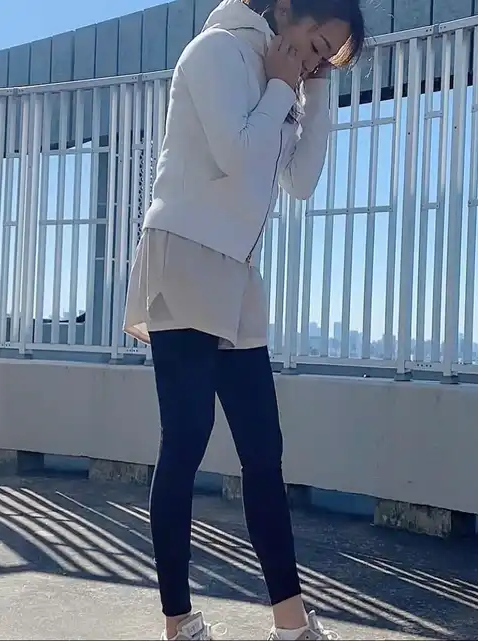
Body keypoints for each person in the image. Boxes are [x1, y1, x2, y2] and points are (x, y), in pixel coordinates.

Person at [123, 0, 366, 638]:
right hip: (184, 252)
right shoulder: (216, 53)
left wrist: (316, 97)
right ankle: (179, 622)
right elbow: (237, 155)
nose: (313, 60)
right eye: (317, 43)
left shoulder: (278, 78)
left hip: (237, 271)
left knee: (263, 449)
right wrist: (283, 86)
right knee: (187, 440)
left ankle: (291, 622)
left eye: (326, 57)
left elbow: (300, 181)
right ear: (286, 9)